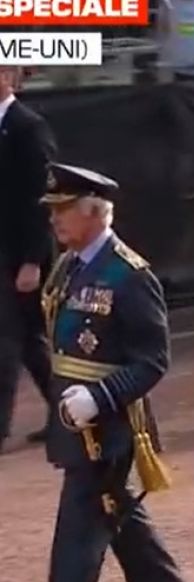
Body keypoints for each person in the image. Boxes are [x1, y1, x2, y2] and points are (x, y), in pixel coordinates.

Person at [38, 163, 194, 582]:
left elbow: (153, 360)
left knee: (77, 539)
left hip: (107, 428)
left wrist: (99, 397)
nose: (55, 218)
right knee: (117, 510)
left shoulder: (129, 275)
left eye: (65, 209)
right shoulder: (68, 266)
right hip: (74, 422)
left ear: (94, 212)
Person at [0, 64, 57, 450]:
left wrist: (33, 260)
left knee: (6, 339)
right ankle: (66, 412)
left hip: (21, 253)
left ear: (6, 78)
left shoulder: (28, 127)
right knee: (30, 339)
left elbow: (43, 197)